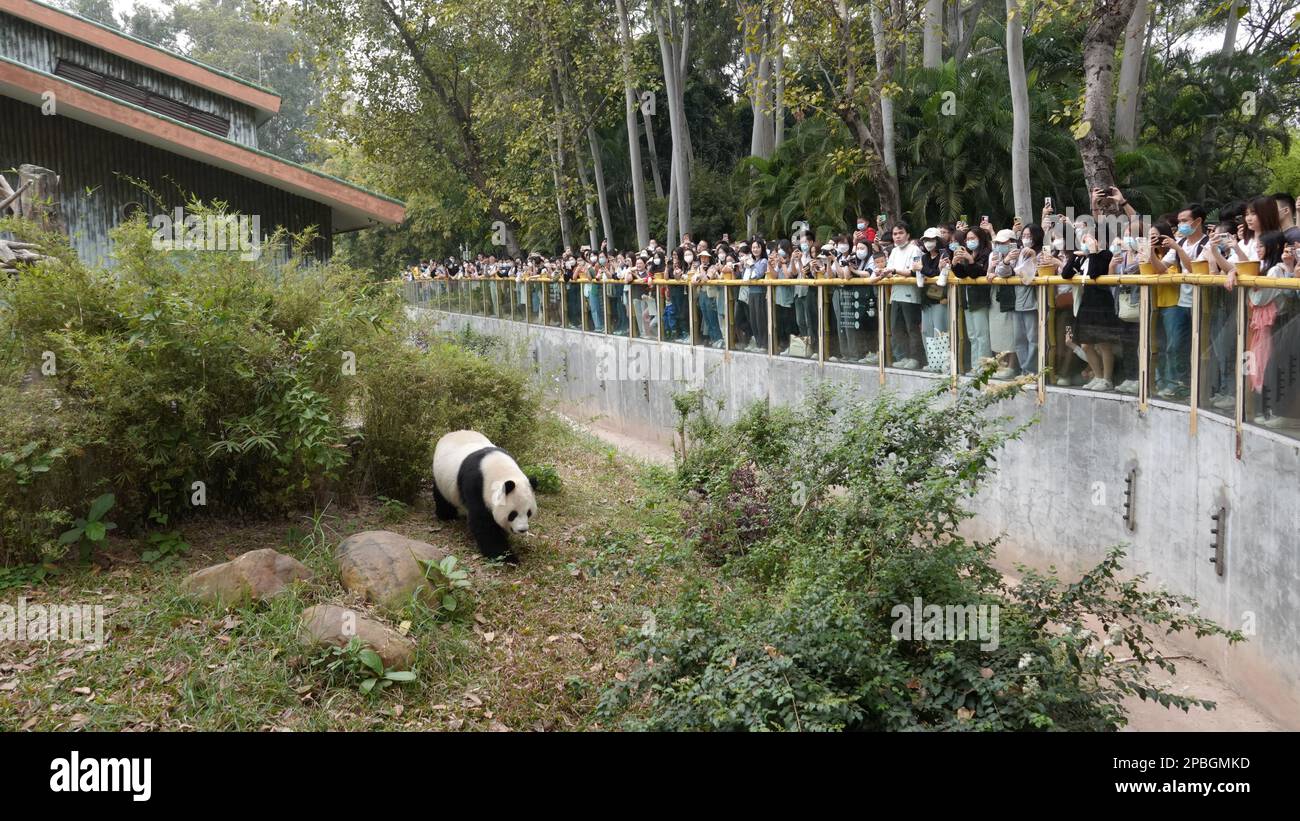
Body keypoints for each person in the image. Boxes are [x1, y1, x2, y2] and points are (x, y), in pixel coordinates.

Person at [883, 223, 924, 369]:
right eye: (895, 234)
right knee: (896, 328)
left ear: (907, 235)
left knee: (912, 328)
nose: (897, 236)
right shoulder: (893, 251)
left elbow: (913, 272)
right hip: (895, 294)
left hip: (910, 295)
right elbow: (889, 269)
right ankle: (902, 356)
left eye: (900, 233)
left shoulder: (915, 250)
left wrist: (893, 270)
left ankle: (915, 358)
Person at [952, 227, 992, 374]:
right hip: (967, 299)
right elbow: (962, 275)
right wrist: (955, 264)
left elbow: (977, 273)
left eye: (972, 238)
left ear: (980, 239)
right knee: (972, 335)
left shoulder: (986, 254)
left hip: (980, 298)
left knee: (982, 335)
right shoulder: (969, 253)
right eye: (967, 239)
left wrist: (969, 260)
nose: (969, 242)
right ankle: (976, 366)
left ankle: (985, 367)